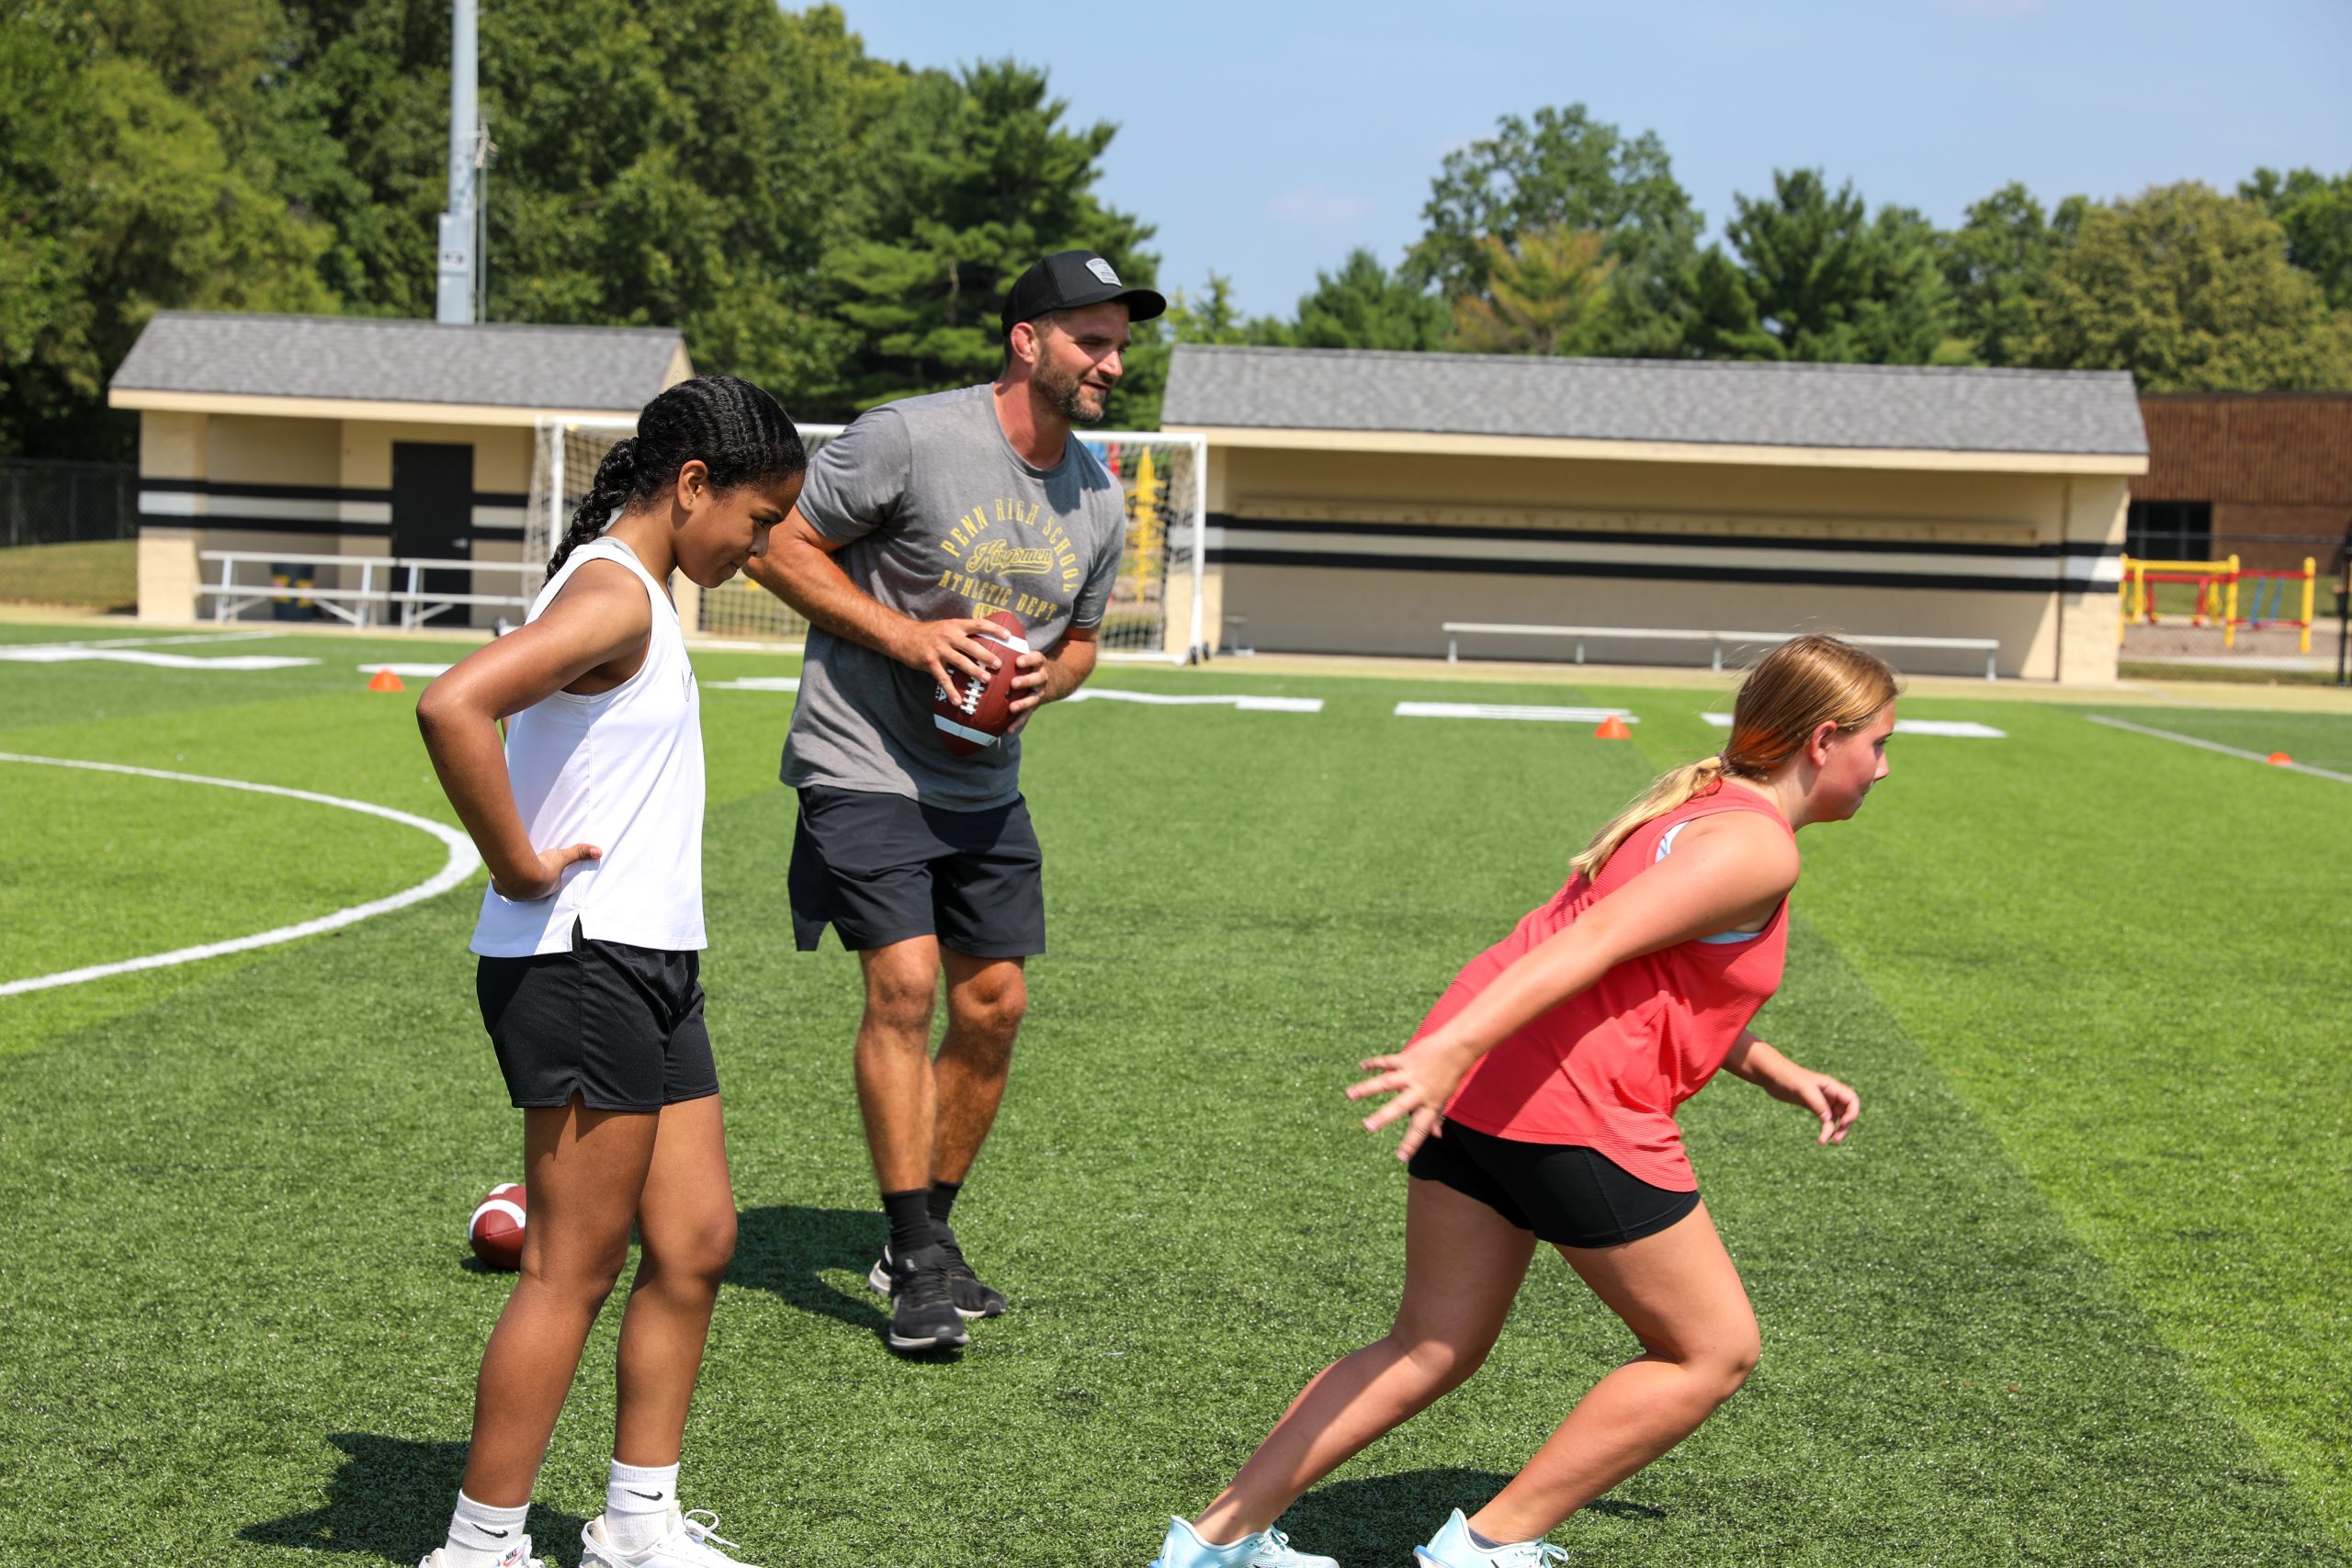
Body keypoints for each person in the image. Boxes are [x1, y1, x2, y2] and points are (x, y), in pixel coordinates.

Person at [1149, 635, 1892, 1568]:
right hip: (1561, 1106)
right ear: (1824, 740)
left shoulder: (1700, 804)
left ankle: (1209, 1547)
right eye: (1879, 745)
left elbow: (1632, 973)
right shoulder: (1753, 846)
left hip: (1484, 1088)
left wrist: (1770, 1066)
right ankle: (1488, 1550)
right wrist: (1446, 1050)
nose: (1884, 767)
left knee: (1430, 1342)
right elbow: (1594, 943)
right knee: (1710, 1351)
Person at [413, 376, 808, 1568]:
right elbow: (452, 703)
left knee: (695, 1236)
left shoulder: (626, 584)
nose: (765, 542)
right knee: (566, 1267)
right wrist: (521, 864)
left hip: (648, 961)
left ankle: (637, 1521)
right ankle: (477, 1549)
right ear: (693, 486)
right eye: (758, 516)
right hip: (580, 959)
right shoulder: (613, 595)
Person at [743, 249, 1162, 1354]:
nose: (1111, 362)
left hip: (983, 783)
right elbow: (774, 543)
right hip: (862, 760)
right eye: (1092, 339)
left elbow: (1078, 644)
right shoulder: (908, 437)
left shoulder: (1098, 495)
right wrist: (905, 633)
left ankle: (920, 1233)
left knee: (995, 1008)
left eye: (1121, 343)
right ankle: (919, 1260)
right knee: (906, 983)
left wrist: (1046, 681)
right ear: (1027, 342)